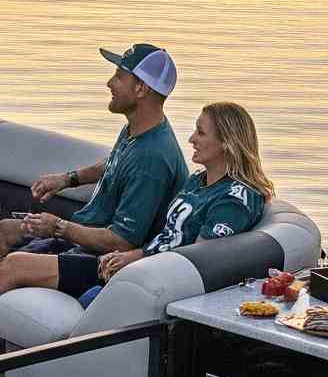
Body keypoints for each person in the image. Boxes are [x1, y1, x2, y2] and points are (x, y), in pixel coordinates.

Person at [0, 41, 186, 359]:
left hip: (107, 263)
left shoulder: (154, 158)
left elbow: (121, 242)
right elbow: (112, 165)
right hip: (88, 235)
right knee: (3, 231)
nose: (109, 83)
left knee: (16, 264)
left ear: (141, 88)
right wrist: (67, 179)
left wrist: (59, 227)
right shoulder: (138, 130)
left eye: (118, 75)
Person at [77, 102, 272, 303]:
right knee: (63, 262)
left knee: (83, 293)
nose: (191, 139)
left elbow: (197, 264)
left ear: (227, 143)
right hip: (144, 266)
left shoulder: (232, 202)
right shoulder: (197, 180)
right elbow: (169, 238)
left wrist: (135, 266)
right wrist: (130, 257)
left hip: (159, 283)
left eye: (201, 133)